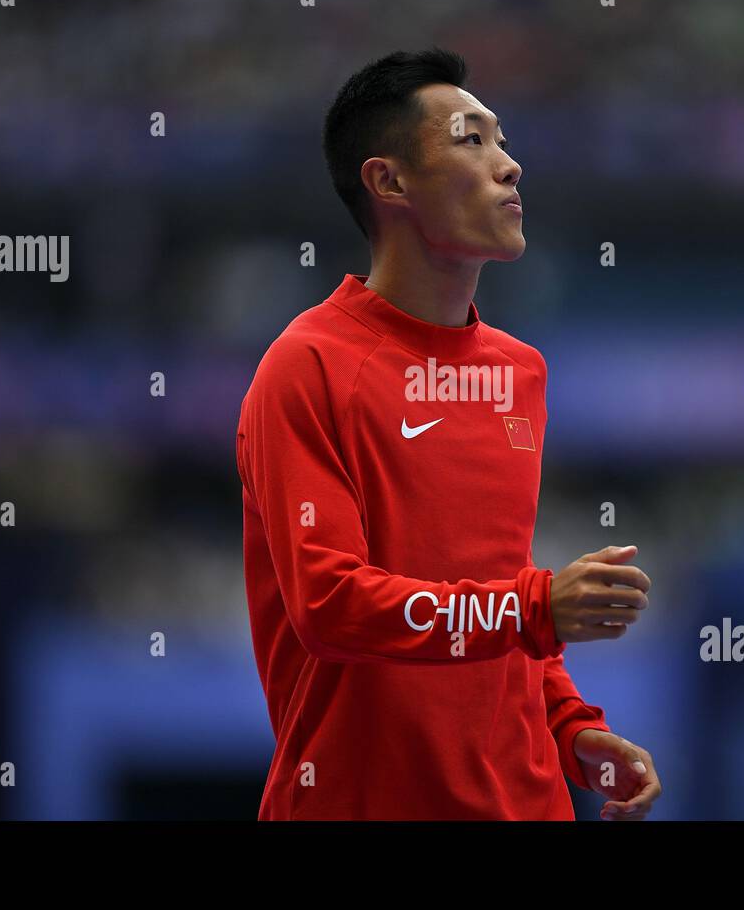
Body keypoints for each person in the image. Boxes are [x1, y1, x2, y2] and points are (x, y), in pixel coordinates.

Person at [236, 47, 660, 820]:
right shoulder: (307, 366)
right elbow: (329, 605)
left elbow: (491, 591)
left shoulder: (518, 372)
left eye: (504, 140)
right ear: (388, 181)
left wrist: (570, 727)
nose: (511, 165)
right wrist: (536, 607)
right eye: (473, 139)